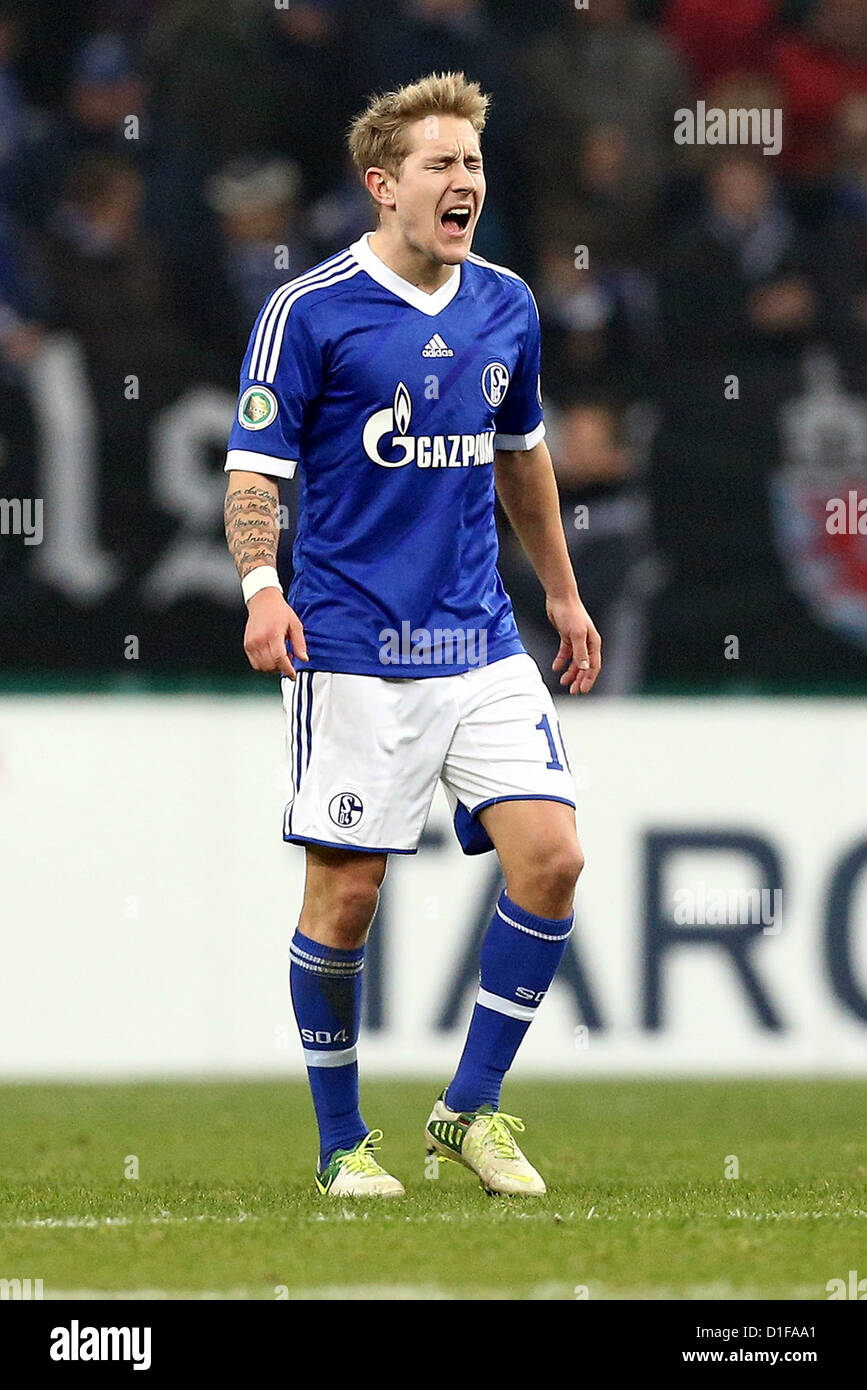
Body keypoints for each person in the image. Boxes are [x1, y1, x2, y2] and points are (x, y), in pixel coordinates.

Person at [222, 73, 601, 1199]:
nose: (463, 181)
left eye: (472, 163)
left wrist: (563, 595)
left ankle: (469, 1108)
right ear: (382, 185)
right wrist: (261, 587)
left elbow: (521, 457)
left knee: (554, 859)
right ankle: (342, 1143)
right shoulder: (309, 312)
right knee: (346, 902)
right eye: (440, 164)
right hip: (350, 650)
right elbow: (254, 474)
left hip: (479, 642)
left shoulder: (507, 305)